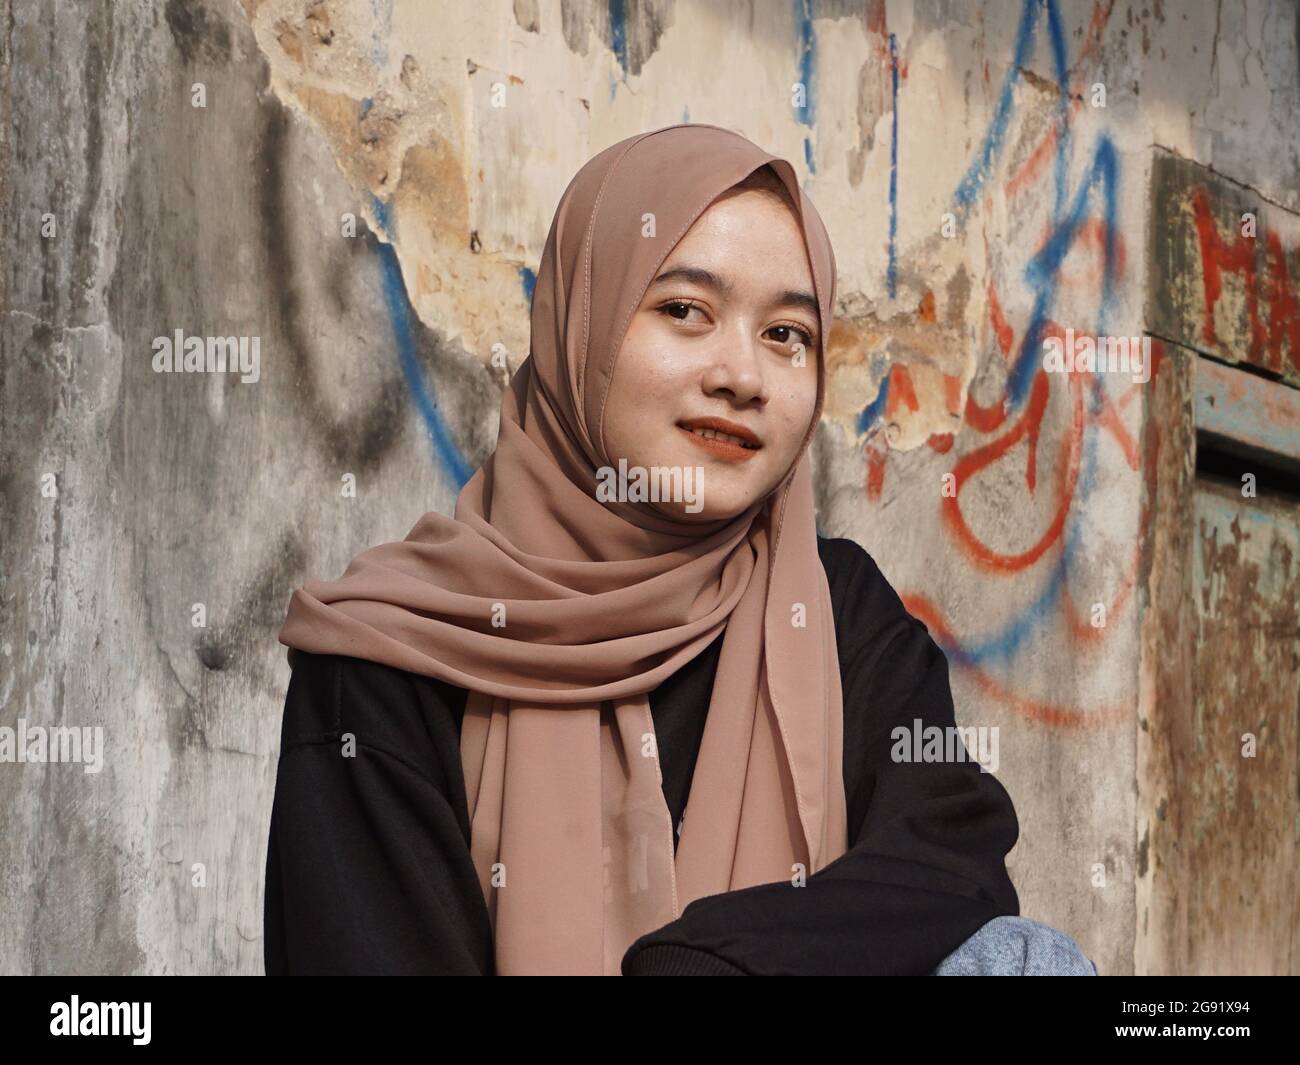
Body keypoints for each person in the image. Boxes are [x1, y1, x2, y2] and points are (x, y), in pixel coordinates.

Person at [264, 122, 1097, 976]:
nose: (742, 375)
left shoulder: (834, 606)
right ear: (579, 328)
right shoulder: (387, 657)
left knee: (1023, 961)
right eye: (685, 311)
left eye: (787, 335)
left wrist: (708, 963)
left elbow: (950, 864)